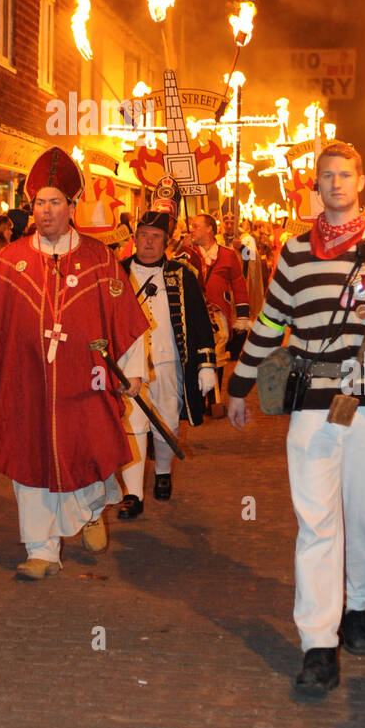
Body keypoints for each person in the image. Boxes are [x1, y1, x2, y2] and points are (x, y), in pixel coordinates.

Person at [226, 141, 365, 699]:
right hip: (314, 399)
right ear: (315, 184)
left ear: (360, 180)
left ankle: (359, 603)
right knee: (317, 522)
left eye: (345, 174)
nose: (335, 183)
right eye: (326, 176)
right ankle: (319, 642)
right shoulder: (293, 250)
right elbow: (271, 320)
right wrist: (240, 382)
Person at [0, 147, 149, 579]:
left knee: (88, 452)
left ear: (72, 205)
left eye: (54, 202)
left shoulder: (100, 258)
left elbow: (125, 319)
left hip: (85, 382)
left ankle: (92, 510)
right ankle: (41, 550)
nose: (45, 211)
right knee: (30, 460)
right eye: (39, 202)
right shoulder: (8, 259)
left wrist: (131, 372)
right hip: (26, 383)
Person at [117, 184, 216, 516]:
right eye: (143, 235)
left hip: (169, 362)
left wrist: (205, 364)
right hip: (130, 366)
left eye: (155, 237)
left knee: (167, 422)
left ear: (166, 241)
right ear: (135, 238)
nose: (148, 241)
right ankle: (133, 494)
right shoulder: (117, 274)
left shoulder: (182, 275)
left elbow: (200, 322)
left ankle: (162, 473)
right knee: (133, 425)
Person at [187, 212, 250, 411]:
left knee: (218, 355)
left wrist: (242, 317)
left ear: (209, 229)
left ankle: (214, 400)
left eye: (196, 226)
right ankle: (197, 400)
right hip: (193, 314)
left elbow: (239, 286)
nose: (192, 229)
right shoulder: (186, 254)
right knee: (195, 354)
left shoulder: (228, 255)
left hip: (218, 314)